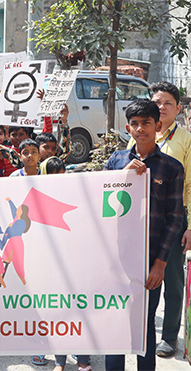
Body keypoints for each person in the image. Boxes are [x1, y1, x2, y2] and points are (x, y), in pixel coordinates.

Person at [100, 99, 188, 370]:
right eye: (135, 124)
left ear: (157, 126)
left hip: (150, 258)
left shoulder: (171, 168)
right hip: (117, 258)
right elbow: (98, 202)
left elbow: (174, 219)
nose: (141, 129)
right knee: (115, 320)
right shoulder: (116, 161)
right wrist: (123, 177)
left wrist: (160, 264)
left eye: (146, 123)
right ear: (128, 128)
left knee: (145, 323)